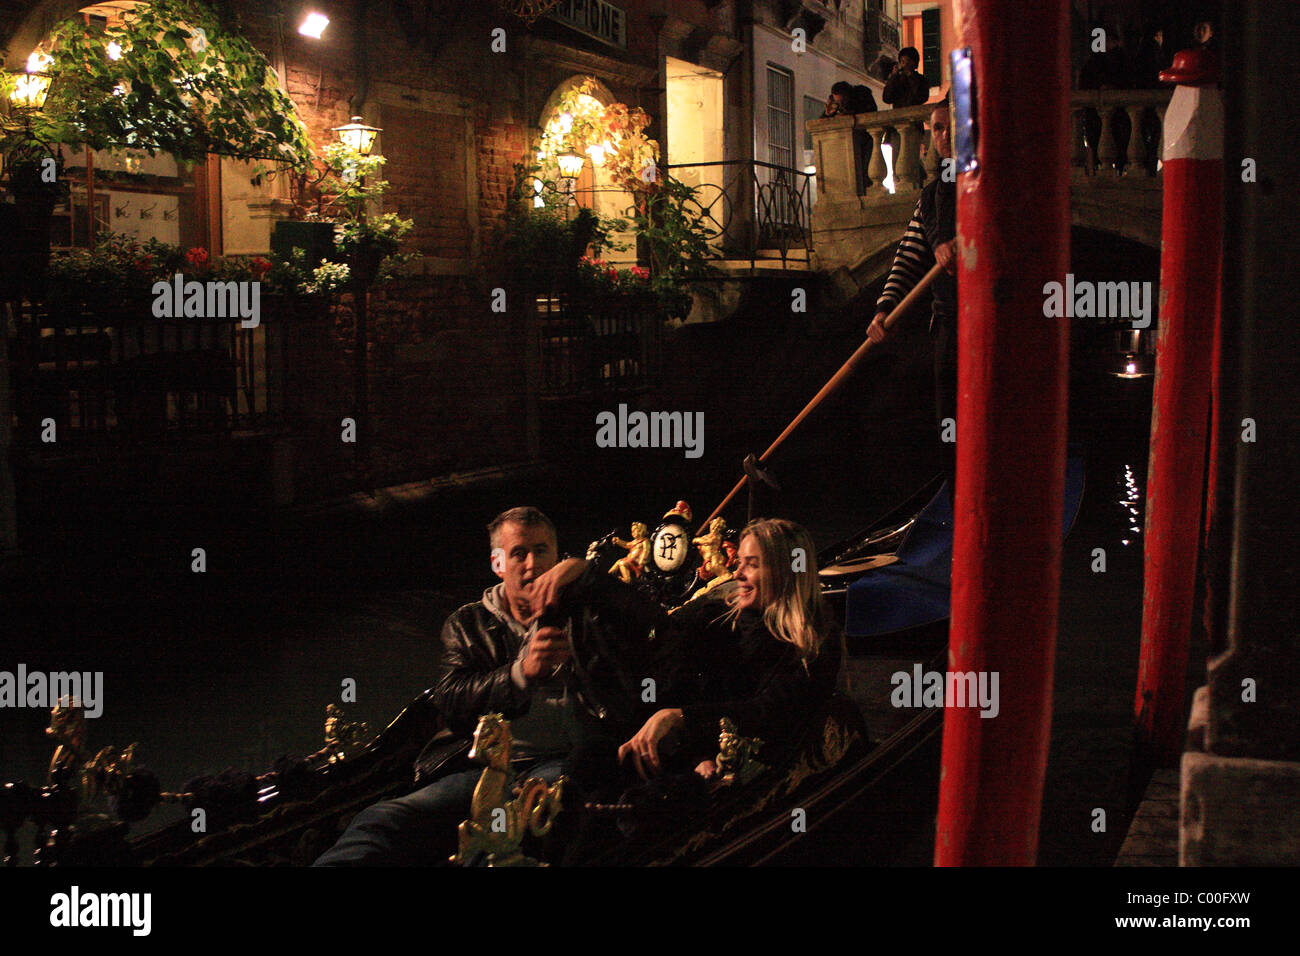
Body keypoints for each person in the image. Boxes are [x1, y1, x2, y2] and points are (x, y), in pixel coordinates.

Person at [313, 506, 662, 866]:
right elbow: (451, 701)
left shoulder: (588, 607)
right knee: (382, 819)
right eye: (519, 554)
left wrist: (587, 572)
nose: (531, 564)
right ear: (498, 564)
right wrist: (521, 673)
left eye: (542, 551)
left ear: (557, 557)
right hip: (483, 767)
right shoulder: (468, 623)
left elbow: (651, 622)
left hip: (565, 764)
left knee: (509, 831)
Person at [866, 100, 959, 484]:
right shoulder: (932, 196)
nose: (944, 137)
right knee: (949, 420)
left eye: (950, 127)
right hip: (950, 326)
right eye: (937, 129)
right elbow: (908, 258)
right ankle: (955, 488)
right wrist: (884, 309)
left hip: (994, 322)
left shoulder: (991, 183)